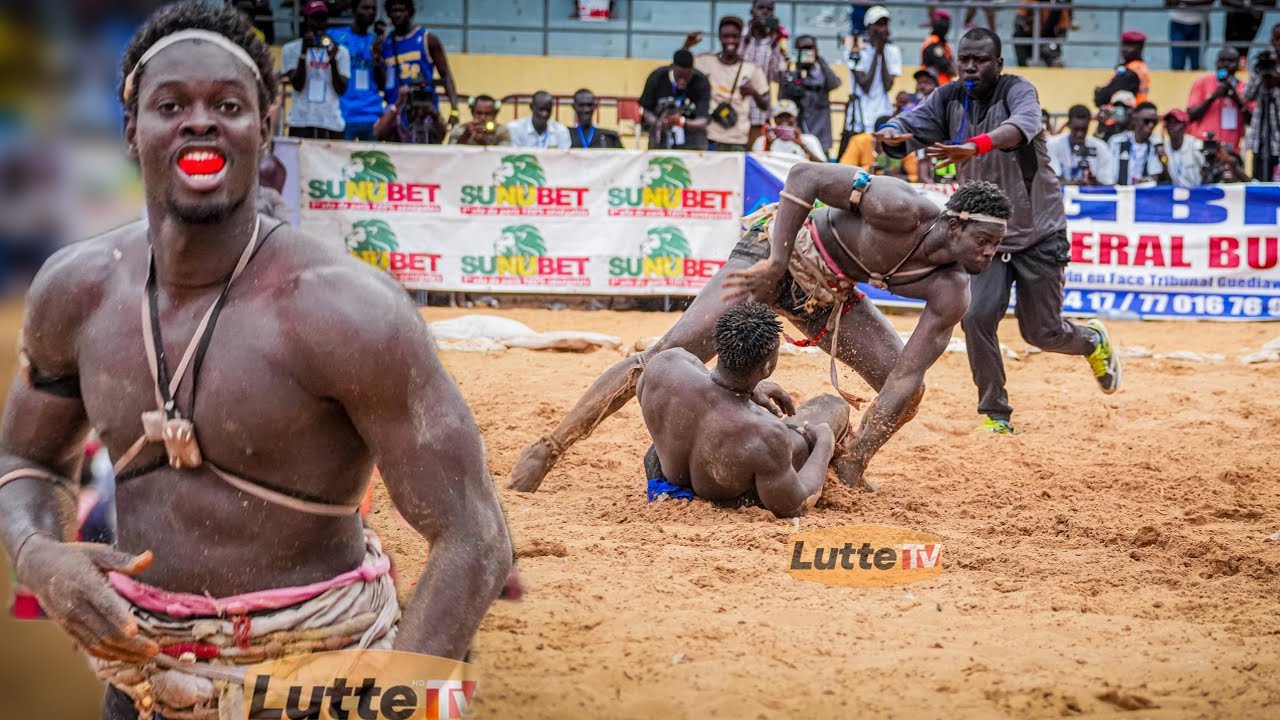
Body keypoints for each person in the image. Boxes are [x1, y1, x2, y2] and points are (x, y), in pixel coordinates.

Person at [0, 4, 514, 719]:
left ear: (264, 130)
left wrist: (404, 700)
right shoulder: (75, 291)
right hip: (142, 686)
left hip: (319, 687)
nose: (201, 121)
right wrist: (38, 553)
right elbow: (23, 459)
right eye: (172, 104)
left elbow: (474, 535)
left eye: (229, 105)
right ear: (130, 131)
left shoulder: (348, 312)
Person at [505, 166, 1020, 494]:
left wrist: (858, 454)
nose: (989, 255)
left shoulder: (952, 291)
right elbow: (803, 178)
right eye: (983, 241)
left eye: (996, 246)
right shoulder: (897, 205)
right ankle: (550, 447)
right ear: (954, 225)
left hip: (828, 291)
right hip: (776, 252)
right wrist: (776, 259)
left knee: (908, 393)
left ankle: (841, 466)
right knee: (667, 353)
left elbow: (904, 376)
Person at [876, 28, 1121, 434]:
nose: (971, 66)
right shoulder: (949, 96)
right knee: (976, 318)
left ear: (999, 64)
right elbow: (909, 126)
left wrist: (973, 147)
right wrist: (889, 133)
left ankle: (1092, 340)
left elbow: (1022, 126)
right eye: (964, 59)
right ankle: (995, 414)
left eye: (981, 59)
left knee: (1041, 332)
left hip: (1040, 232)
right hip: (983, 238)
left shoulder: (1017, 90)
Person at [637, 302, 848, 518]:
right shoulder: (767, 434)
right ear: (767, 368)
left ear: (719, 345)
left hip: (665, 473)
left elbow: (706, 393)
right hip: (729, 496)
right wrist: (824, 445)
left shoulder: (664, 365)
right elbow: (795, 505)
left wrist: (746, 390)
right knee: (831, 405)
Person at [695, 16, 770, 151]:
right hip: (709, 136)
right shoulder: (705, 61)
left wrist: (753, 92)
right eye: (726, 36)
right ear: (719, 37)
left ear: (740, 38)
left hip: (738, 139)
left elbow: (765, 104)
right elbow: (678, 70)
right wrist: (686, 46)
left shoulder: (751, 68)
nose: (730, 41)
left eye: (735, 37)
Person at [382, 0, 460, 125]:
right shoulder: (385, 44)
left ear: (410, 13)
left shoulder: (427, 39)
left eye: (401, 10)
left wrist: (455, 109)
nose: (397, 15)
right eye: (394, 11)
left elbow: (445, 75)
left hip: (424, 110)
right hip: (395, 112)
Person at [281, 0, 351, 139]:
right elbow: (297, 85)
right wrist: (303, 53)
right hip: (301, 121)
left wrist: (333, 61)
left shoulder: (340, 52)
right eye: (314, 18)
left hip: (331, 123)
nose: (318, 23)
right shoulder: (291, 49)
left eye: (322, 19)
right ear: (306, 20)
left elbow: (341, 89)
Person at [331, 0, 386, 141]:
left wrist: (378, 59)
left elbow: (382, 83)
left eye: (373, 9)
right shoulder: (336, 36)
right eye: (366, 8)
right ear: (354, 10)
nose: (371, 12)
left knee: (372, 162)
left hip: (372, 114)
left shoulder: (376, 42)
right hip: (344, 114)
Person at [778, 34, 841, 153]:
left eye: (810, 48)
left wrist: (819, 58)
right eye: (803, 49)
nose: (807, 53)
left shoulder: (821, 75)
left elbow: (835, 83)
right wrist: (789, 69)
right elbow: (782, 101)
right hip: (798, 140)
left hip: (821, 138)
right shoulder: (791, 76)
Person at [638, 49, 711, 150]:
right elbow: (645, 109)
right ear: (672, 68)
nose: (682, 81)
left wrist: (681, 122)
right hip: (661, 134)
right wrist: (657, 123)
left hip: (691, 138)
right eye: (679, 76)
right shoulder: (657, 77)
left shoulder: (701, 82)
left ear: (692, 71)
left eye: (686, 77)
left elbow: (703, 120)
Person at [846, 6, 900, 139]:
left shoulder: (893, 51)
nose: (882, 29)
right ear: (868, 27)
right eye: (878, 24)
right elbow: (865, 85)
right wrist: (877, 52)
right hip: (859, 117)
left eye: (885, 24)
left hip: (882, 115)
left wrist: (882, 52)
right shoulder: (854, 49)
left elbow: (888, 85)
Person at [740, 0, 788, 145]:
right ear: (752, 11)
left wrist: (776, 44)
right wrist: (749, 34)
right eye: (760, 8)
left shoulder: (774, 42)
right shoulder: (740, 36)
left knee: (755, 152)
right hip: (739, 108)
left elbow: (776, 77)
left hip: (760, 112)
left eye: (769, 9)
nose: (765, 12)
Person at [1187, 47, 1249, 152]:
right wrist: (1213, 97)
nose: (1226, 64)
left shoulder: (1244, 88)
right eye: (1222, 60)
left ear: (1238, 64)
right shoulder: (1202, 82)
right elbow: (1190, 116)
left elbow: (1251, 121)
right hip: (1203, 145)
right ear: (1216, 63)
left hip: (1230, 148)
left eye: (1231, 61)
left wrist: (1236, 99)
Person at [1046, 104, 1116, 185]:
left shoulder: (1100, 147)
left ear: (1089, 125)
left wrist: (1095, 182)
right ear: (1068, 125)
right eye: (1076, 129)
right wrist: (1074, 184)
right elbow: (1051, 180)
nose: (1079, 134)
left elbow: (1108, 182)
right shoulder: (1053, 144)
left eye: (1083, 129)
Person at [1243, 39, 1280, 182]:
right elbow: (1247, 95)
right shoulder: (1264, 63)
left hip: (1278, 136)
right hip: (1260, 138)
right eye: (1277, 38)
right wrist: (1260, 73)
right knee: (1258, 180)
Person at [1107, 101, 1167, 185]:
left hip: (1142, 195)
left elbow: (1155, 177)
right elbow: (1107, 173)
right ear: (1135, 119)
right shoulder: (1117, 141)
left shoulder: (1155, 144)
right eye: (1146, 121)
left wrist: (1147, 181)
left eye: (1154, 122)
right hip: (1119, 193)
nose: (1151, 125)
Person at [751, 100, 827, 161]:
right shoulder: (762, 141)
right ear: (774, 119)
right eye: (780, 117)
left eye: (788, 116)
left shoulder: (809, 140)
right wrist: (768, 145)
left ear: (795, 119)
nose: (784, 120)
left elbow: (822, 166)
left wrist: (802, 146)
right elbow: (757, 169)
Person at [374, 82, 447, 143]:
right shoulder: (395, 110)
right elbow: (378, 133)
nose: (416, 100)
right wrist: (399, 103)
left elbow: (442, 136)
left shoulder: (430, 114)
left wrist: (433, 114)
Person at [1094, 31, 1150, 108]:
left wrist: (1099, 92)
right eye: (1123, 45)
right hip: (1136, 112)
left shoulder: (1131, 71)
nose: (1124, 49)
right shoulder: (1141, 67)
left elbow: (1102, 98)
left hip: (1126, 114)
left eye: (1129, 46)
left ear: (1139, 49)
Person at [1013, 0, 1072, 68]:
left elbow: (1063, 32)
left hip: (1048, 40)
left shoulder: (1059, 6)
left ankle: (1054, 63)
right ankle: (1022, 66)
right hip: (1030, 39)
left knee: (1052, 50)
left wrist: (1054, 42)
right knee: (1018, 36)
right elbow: (1018, 21)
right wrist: (1028, 24)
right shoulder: (1029, 1)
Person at [507, 91, 572, 149]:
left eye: (548, 110)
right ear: (531, 107)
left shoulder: (561, 131)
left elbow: (564, 158)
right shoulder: (515, 129)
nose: (545, 114)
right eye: (541, 109)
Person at [1159, 108, 1205, 187]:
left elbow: (1205, 171)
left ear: (1185, 126)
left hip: (1195, 193)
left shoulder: (1196, 145)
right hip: (1174, 194)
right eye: (1169, 123)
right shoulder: (1163, 147)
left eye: (1176, 123)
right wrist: (1164, 162)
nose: (1171, 126)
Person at [446, 94, 513, 146]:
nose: (483, 117)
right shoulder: (459, 129)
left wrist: (483, 142)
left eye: (487, 114)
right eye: (479, 113)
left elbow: (502, 156)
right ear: (472, 113)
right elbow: (451, 154)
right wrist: (465, 136)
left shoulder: (502, 132)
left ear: (495, 115)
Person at [1165, 0, 1212, 72]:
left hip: (1200, 23)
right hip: (1177, 22)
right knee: (1177, 65)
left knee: (1197, 65)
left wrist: (1183, 2)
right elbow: (1168, 2)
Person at [920, 10, 956, 85]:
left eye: (946, 24)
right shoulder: (932, 43)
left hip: (943, 87)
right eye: (941, 24)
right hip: (934, 87)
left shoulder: (944, 45)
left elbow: (954, 68)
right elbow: (945, 66)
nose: (944, 27)